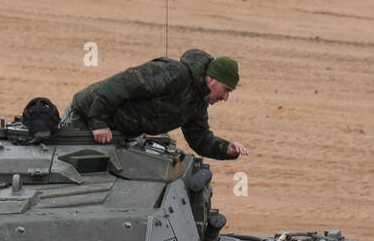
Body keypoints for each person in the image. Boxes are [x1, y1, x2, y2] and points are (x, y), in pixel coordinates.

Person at [62, 49, 248, 159]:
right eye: (225, 90)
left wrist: (226, 148)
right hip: (87, 114)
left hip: (116, 132)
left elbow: (199, 138)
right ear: (211, 79)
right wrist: (98, 122)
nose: (225, 98)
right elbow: (120, 84)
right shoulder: (174, 74)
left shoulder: (197, 102)